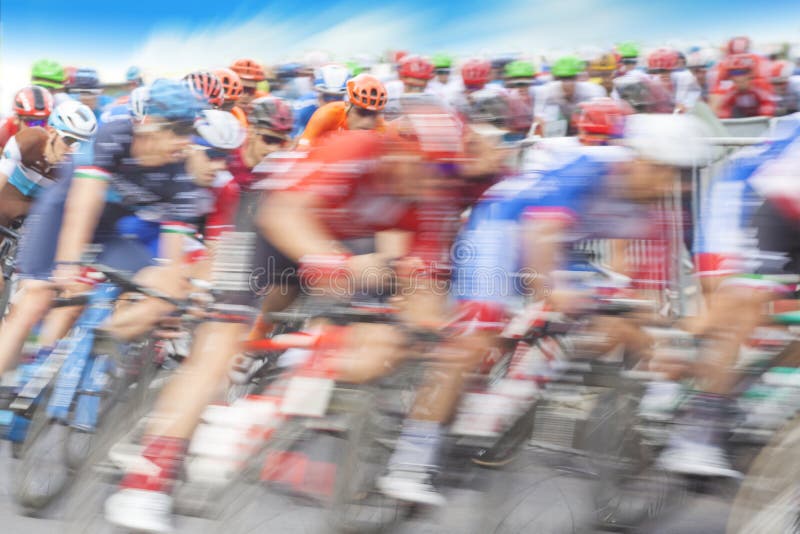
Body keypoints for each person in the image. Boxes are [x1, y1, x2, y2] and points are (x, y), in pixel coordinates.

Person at [0, 101, 97, 398]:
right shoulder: (28, 140)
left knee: (26, 294)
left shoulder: (75, 165)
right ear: (52, 131)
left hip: (33, 217)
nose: (73, 149)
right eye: (69, 140)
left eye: (81, 144)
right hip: (4, 205)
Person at [296, 73, 387, 149]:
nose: (367, 123)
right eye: (361, 113)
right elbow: (302, 153)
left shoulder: (380, 126)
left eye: (374, 115)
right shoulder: (326, 114)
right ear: (347, 105)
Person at [533, 55, 605, 136]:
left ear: (578, 77)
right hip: (560, 127)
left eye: (571, 78)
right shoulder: (547, 90)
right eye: (563, 78)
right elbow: (538, 118)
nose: (567, 84)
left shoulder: (593, 90)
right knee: (550, 113)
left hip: (584, 126)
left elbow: (601, 119)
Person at [291, 63, 350, 138]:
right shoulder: (303, 108)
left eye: (338, 98)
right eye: (327, 97)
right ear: (317, 93)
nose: (331, 103)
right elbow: (294, 141)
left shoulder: (353, 108)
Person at [714, 54, 776, 118]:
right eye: (733, 72)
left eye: (742, 72)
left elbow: (768, 111)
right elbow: (723, 111)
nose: (738, 77)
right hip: (745, 118)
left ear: (751, 74)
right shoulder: (732, 90)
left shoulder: (761, 86)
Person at [0, 86, 54, 150]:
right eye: (32, 122)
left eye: (43, 122)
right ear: (16, 118)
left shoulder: (52, 134)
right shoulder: (3, 131)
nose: (38, 128)